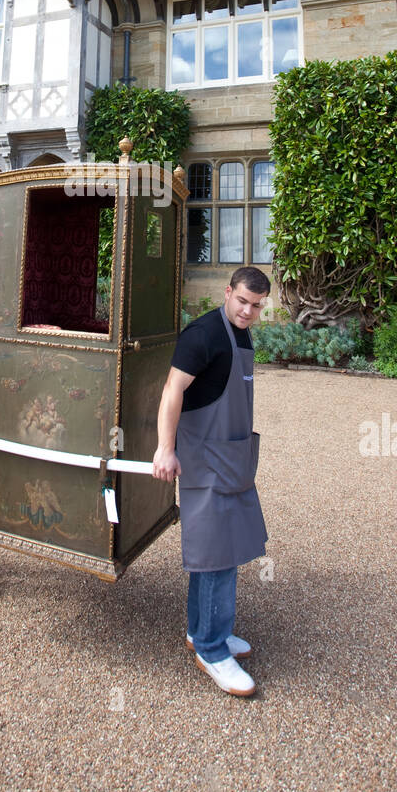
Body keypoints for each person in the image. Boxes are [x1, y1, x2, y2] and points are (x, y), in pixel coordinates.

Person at [152, 266, 270, 697]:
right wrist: (166, 449)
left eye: (256, 306)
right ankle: (211, 650)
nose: (247, 311)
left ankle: (202, 632)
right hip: (205, 460)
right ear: (228, 292)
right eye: (241, 301)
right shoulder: (202, 335)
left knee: (222, 552)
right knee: (216, 557)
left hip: (232, 456)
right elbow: (171, 390)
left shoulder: (241, 333)